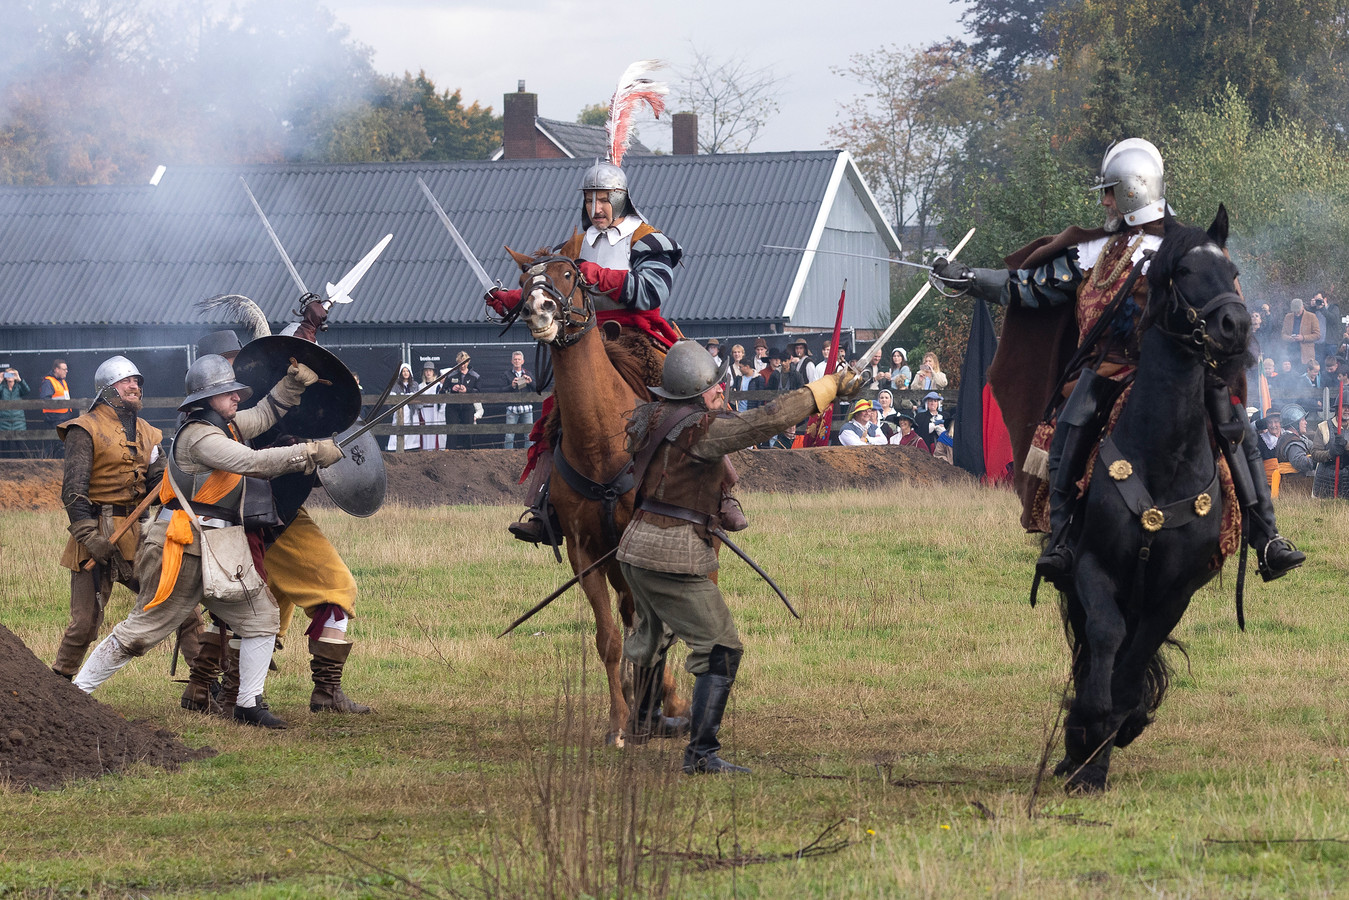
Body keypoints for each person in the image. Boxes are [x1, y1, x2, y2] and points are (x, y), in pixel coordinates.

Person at [930, 136, 1302, 582]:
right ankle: (1065, 539)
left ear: (1129, 192)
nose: (1103, 202)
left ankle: (1268, 537)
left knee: (1234, 424)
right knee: (1069, 423)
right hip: (1106, 370)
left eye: (1108, 192)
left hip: (1179, 374)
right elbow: (1027, 286)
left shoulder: (1189, 250)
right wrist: (968, 278)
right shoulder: (1092, 252)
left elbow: (1224, 307)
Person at [617, 339, 862, 773]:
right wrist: (825, 389)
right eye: (715, 390)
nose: (721, 395)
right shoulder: (700, 430)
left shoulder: (649, 416)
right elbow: (764, 422)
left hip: (634, 549)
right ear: (696, 392)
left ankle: (643, 719)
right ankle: (701, 755)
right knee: (721, 648)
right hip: (671, 556)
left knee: (653, 636)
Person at [73, 354, 343, 728]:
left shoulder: (226, 426)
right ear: (206, 398)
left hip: (217, 545)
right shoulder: (198, 435)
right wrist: (310, 453)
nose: (237, 397)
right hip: (180, 547)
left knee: (260, 618)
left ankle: (248, 704)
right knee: (141, 632)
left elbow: (263, 414)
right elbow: (253, 463)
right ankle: (76, 696)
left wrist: (292, 385)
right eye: (228, 392)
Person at [487, 154, 683, 543]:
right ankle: (546, 506)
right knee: (558, 416)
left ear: (622, 198)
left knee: (686, 398)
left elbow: (650, 292)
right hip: (586, 340)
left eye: (605, 199)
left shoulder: (649, 239)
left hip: (639, 336)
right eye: (590, 200)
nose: (596, 209)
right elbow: (552, 289)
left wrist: (600, 274)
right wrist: (511, 299)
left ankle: (711, 494)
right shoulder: (573, 245)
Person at [52, 356, 204, 687]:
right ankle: (60, 686)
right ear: (107, 389)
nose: (135, 386)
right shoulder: (84, 429)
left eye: (138, 382)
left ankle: (203, 684)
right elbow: (73, 492)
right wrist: (89, 537)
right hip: (94, 533)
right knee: (85, 622)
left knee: (181, 606)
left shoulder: (150, 433)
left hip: (139, 534)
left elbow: (162, 488)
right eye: (126, 382)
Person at [40, 358, 75, 458]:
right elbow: (45, 400)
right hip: (54, 417)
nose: (66, 371)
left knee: (59, 443)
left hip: (65, 416)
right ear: (56, 369)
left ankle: (47, 460)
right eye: (64, 369)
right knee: (57, 443)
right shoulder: (48, 382)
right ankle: (45, 460)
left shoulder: (63, 381)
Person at [445, 351, 479, 450]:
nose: (462, 365)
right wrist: (452, 389)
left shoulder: (475, 376)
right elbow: (443, 391)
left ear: (468, 362)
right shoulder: (451, 375)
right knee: (452, 431)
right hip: (452, 407)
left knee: (467, 431)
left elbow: (479, 392)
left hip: (467, 407)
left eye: (464, 363)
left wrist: (467, 390)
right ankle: (450, 453)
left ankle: (467, 454)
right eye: (460, 363)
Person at [503, 350, 535, 450]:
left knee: (529, 435)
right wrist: (511, 386)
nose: (517, 361)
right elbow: (500, 390)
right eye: (515, 359)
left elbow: (536, 388)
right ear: (512, 361)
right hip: (512, 409)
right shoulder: (506, 374)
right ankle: (507, 457)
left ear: (523, 361)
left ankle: (528, 457)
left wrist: (530, 382)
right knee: (509, 435)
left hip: (527, 408)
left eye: (519, 359)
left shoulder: (528, 373)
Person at [387, 364, 418, 451]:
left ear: (410, 373)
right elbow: (392, 397)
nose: (405, 373)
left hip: (412, 410)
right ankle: (394, 447)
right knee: (398, 427)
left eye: (407, 371)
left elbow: (417, 397)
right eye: (403, 371)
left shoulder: (414, 384)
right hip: (399, 411)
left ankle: (411, 446)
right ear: (401, 373)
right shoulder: (396, 385)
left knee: (412, 428)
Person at [0, 366, 30, 458]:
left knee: (21, 446)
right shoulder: (2, 388)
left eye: (12, 374)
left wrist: (19, 379)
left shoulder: (19, 387)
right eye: (7, 374)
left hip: (18, 421)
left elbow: (27, 391)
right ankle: (5, 468)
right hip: (4, 422)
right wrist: (0, 380)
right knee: (5, 448)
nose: (10, 376)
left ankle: (26, 465)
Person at [1283, 298, 1321, 366]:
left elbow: (1317, 335)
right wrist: (1290, 338)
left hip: (1306, 355)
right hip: (1290, 353)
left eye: (1298, 311)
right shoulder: (1288, 317)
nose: (1297, 314)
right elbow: (1283, 334)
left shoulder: (1312, 317)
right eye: (1295, 312)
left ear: (1303, 307)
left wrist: (1303, 338)